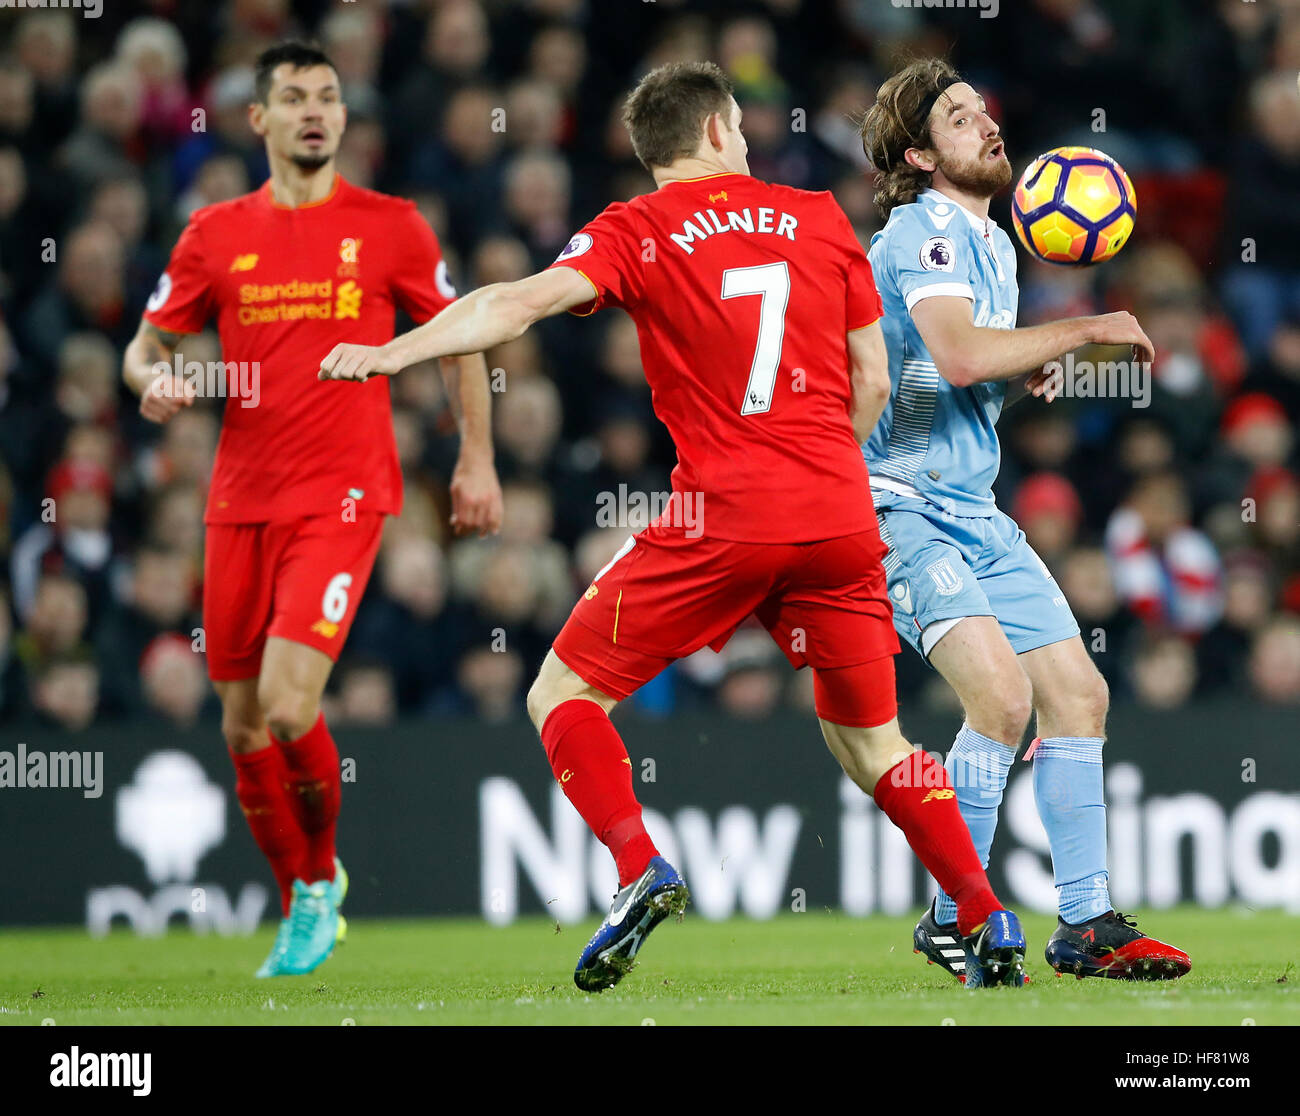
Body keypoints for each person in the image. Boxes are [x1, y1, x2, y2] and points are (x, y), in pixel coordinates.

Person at [320, 60, 1028, 991]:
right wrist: (819, 475)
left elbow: (515, 304)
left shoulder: (636, 229)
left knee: (560, 693)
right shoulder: (819, 217)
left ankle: (636, 867)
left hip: (725, 515)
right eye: (737, 122)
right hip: (844, 516)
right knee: (876, 747)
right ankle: (986, 916)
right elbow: (875, 385)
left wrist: (392, 351)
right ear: (713, 134)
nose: (744, 135)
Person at [121, 42, 503, 978]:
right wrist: (153, 383)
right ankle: (301, 895)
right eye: (292, 98)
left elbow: (459, 340)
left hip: (343, 496)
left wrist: (476, 460)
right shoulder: (213, 232)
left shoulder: (392, 226)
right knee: (242, 727)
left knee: (291, 708)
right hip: (238, 500)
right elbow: (145, 346)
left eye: (327, 97)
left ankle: (322, 880)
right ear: (256, 119)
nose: (313, 112)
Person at [859, 58, 1189, 980]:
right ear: (921, 156)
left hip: (973, 508)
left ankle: (1084, 924)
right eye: (959, 120)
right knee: (1000, 702)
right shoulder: (918, 230)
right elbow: (959, 356)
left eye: (983, 108)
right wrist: (1081, 330)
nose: (987, 123)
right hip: (898, 506)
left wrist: (1022, 363)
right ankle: (956, 913)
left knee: (1079, 696)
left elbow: (967, 363)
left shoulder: (996, 243)